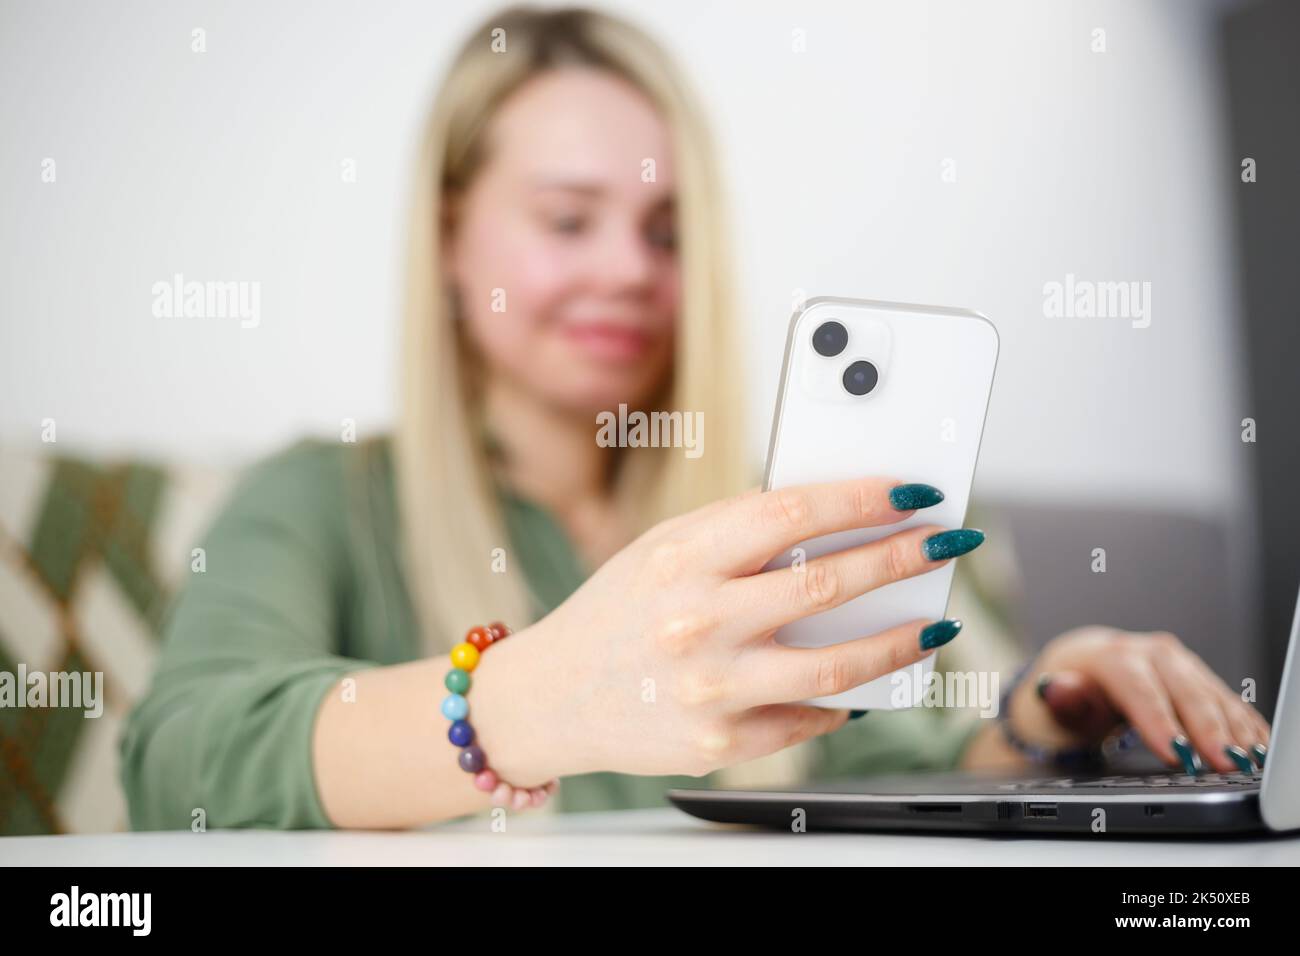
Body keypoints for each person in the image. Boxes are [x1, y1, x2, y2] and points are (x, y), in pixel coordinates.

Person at [120, 5, 1270, 830]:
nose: (627, 267)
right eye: (570, 220)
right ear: (448, 234)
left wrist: (1040, 710)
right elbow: (182, 762)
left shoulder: (757, 510)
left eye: (667, 231)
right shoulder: (319, 499)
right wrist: (531, 699)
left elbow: (892, 759)